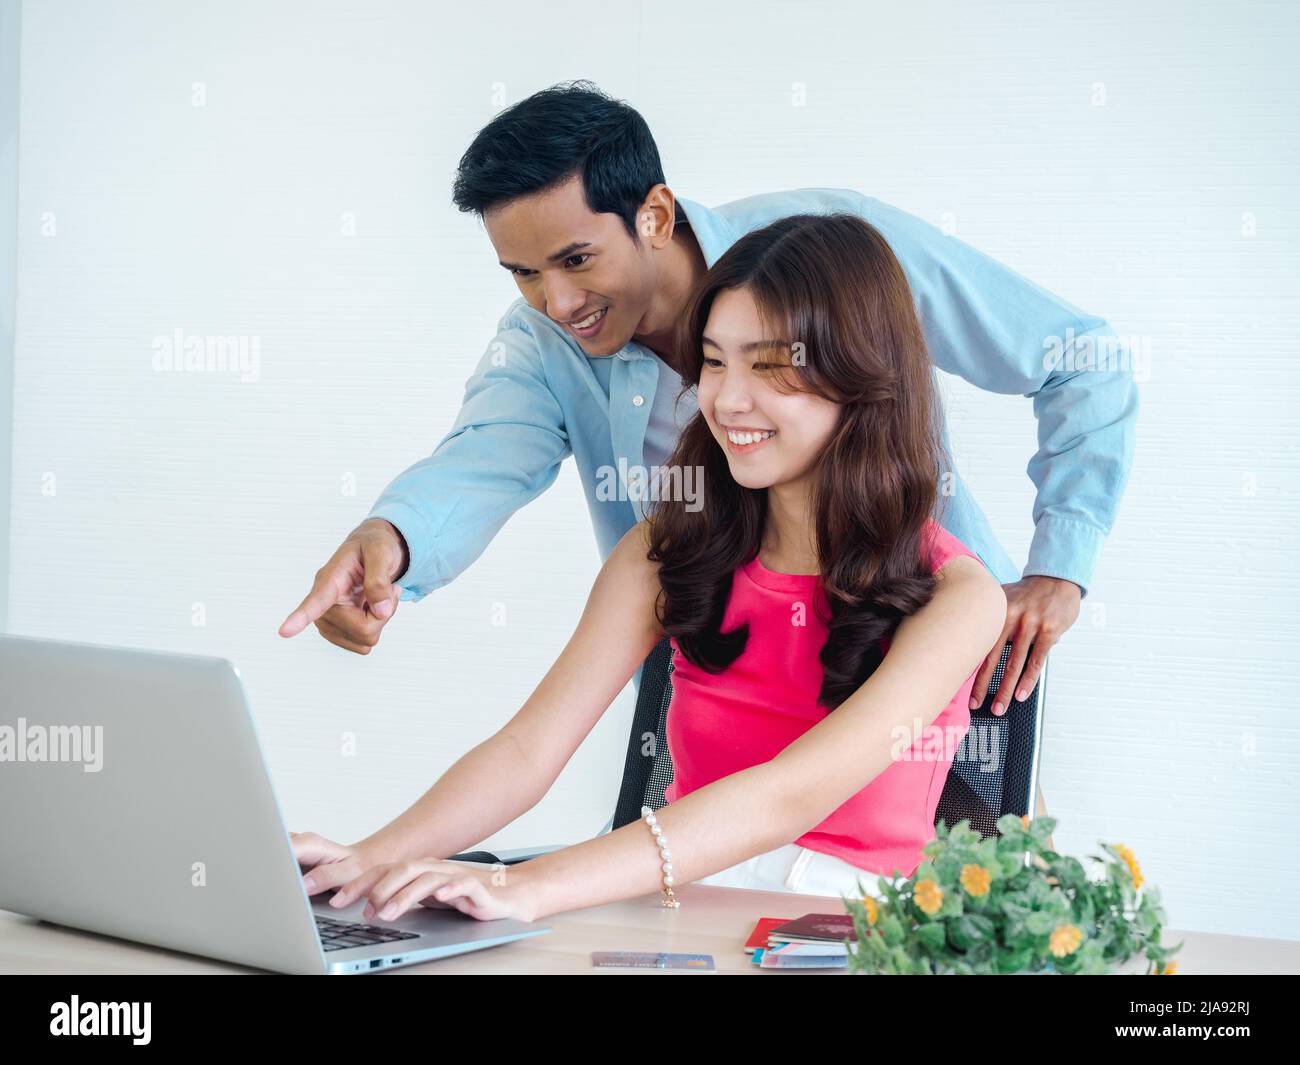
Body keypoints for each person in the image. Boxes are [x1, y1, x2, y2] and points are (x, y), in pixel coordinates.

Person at [280, 79, 1136, 851]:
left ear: (653, 213)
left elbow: (1080, 358)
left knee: (969, 915)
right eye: (523, 275)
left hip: (903, 651)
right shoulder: (545, 343)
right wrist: (389, 540)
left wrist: (1061, 565)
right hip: (724, 686)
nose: (558, 303)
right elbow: (480, 460)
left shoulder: (836, 256)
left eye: (576, 260)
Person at [292, 213, 1007, 922]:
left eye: (766, 364)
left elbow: (790, 794)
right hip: (686, 916)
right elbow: (525, 750)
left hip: (850, 930)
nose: (727, 399)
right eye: (716, 359)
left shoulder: (958, 595)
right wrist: (366, 860)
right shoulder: (664, 553)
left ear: (861, 374)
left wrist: (526, 884)